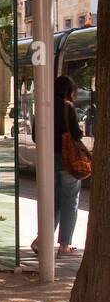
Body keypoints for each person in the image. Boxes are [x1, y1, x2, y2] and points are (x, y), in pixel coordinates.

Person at [36, 75, 89, 257]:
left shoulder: (42, 106)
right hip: (68, 162)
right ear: (68, 91)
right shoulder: (68, 107)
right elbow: (75, 134)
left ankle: (41, 241)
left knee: (52, 202)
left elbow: (36, 136)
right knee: (70, 202)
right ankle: (64, 246)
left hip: (47, 162)